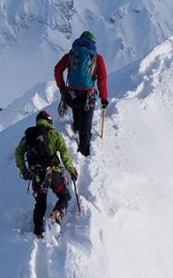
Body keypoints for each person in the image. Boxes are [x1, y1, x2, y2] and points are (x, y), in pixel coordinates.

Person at [15, 109, 78, 238]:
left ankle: (38, 232)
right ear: (49, 121)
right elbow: (64, 153)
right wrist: (70, 169)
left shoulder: (28, 136)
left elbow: (18, 153)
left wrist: (23, 170)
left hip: (37, 175)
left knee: (40, 204)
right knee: (64, 196)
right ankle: (57, 212)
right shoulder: (54, 134)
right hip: (54, 174)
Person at [54, 30, 108, 157]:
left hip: (71, 97)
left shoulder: (71, 55)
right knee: (86, 128)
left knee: (77, 117)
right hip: (88, 97)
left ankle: (76, 129)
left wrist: (62, 88)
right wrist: (104, 98)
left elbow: (57, 70)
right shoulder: (97, 58)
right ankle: (84, 155)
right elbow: (102, 79)